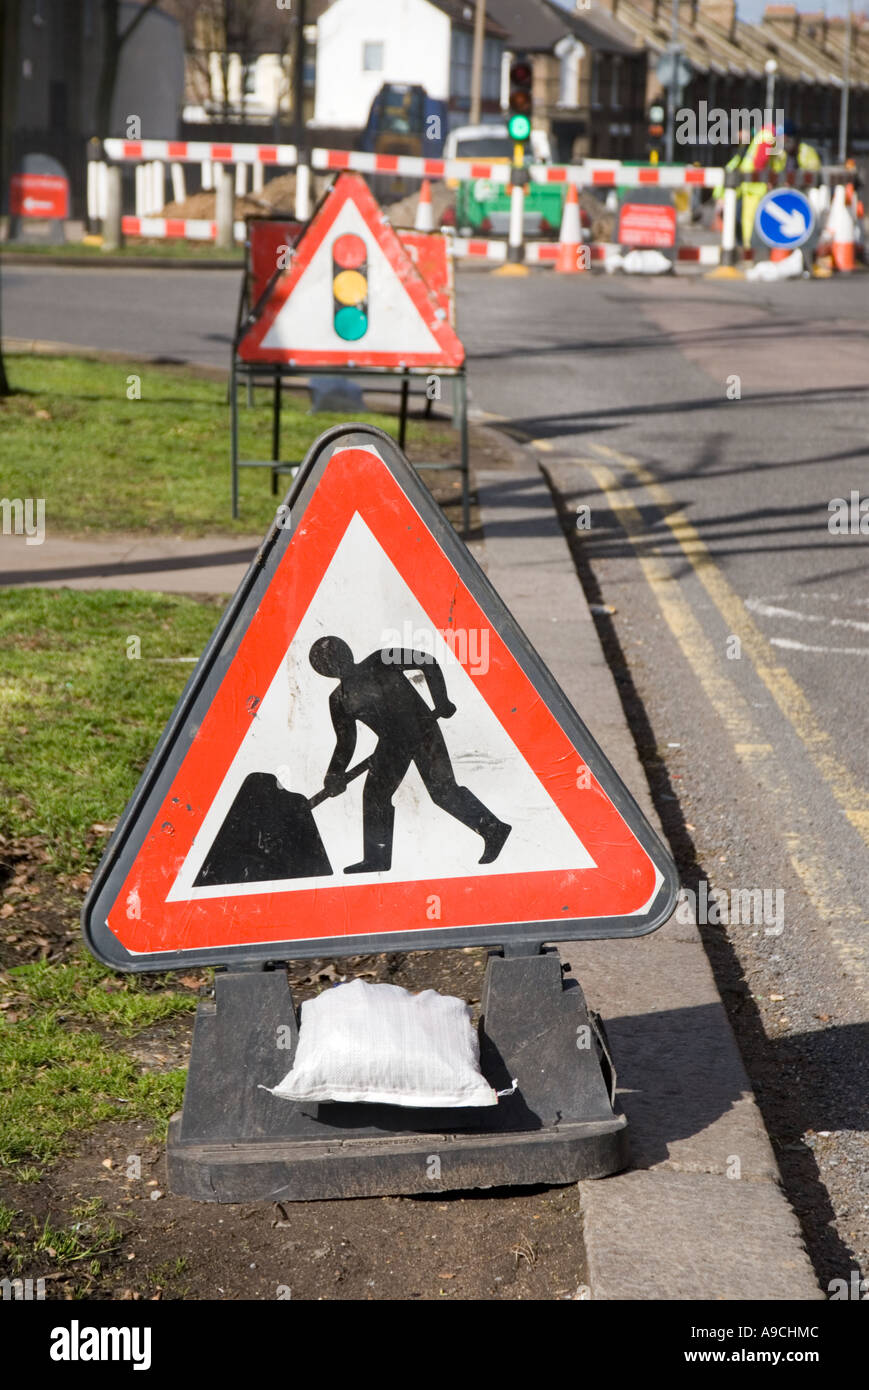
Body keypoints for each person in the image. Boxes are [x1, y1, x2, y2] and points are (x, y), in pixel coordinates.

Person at [309, 636, 512, 874]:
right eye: (326, 663)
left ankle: (493, 829)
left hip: (422, 729)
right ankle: (377, 858)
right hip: (391, 744)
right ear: (323, 671)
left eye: (335, 656)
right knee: (374, 797)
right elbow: (345, 741)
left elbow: (427, 661)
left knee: (443, 791)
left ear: (347, 650)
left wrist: (441, 700)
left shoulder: (381, 658)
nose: (335, 663)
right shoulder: (338, 700)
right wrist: (334, 774)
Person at [737, 118, 821, 245]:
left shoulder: (771, 139)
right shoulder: (768, 137)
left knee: (753, 219)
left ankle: (752, 248)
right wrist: (768, 181)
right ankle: (750, 250)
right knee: (751, 219)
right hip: (754, 186)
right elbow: (759, 163)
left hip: (755, 185)